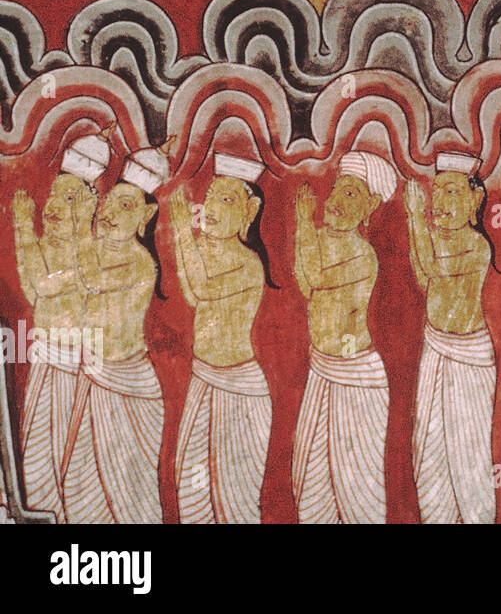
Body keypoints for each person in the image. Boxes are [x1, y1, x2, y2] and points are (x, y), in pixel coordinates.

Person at [63, 143, 165, 524]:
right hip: (91, 374)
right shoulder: (96, 249)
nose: (109, 213)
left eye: (126, 206)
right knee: (80, 482)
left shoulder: (139, 262)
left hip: (127, 385)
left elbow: (90, 279)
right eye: (108, 202)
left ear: (146, 215)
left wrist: (85, 224)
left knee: (128, 497)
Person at [170, 151, 273, 524]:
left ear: (249, 212)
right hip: (204, 379)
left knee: (233, 498)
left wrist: (182, 231)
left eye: (226, 199)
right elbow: (193, 294)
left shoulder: (247, 263)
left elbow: (201, 287)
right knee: (191, 483)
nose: (211, 205)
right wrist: (186, 239)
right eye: (211, 195)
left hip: (238, 391)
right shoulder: (208, 253)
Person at [292, 151, 394, 523]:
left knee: (355, 491)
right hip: (323, 369)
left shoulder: (362, 254)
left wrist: (303, 222)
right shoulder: (317, 238)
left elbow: (317, 277)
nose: (335, 201)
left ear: (371, 206)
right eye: (336, 190)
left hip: (355, 376)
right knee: (311, 481)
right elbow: (306, 286)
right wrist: (306, 230)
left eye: (351, 195)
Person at [12, 129, 109, 522]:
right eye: (54, 194)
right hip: (46, 361)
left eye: (69, 198)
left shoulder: (88, 252)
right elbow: (33, 291)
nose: (52, 206)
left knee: (58, 448)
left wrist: (22, 229)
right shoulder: (49, 245)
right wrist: (26, 235)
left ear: (87, 207)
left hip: (71, 364)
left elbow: (44, 285)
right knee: (37, 445)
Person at [406, 152, 496, 524]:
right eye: (437, 192)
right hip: (436, 348)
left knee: (468, 452)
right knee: (429, 450)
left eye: (453, 192)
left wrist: (413, 215)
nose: (441, 202)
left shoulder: (476, 246)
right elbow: (423, 280)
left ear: (474, 202)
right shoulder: (430, 238)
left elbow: (432, 268)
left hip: (467, 358)